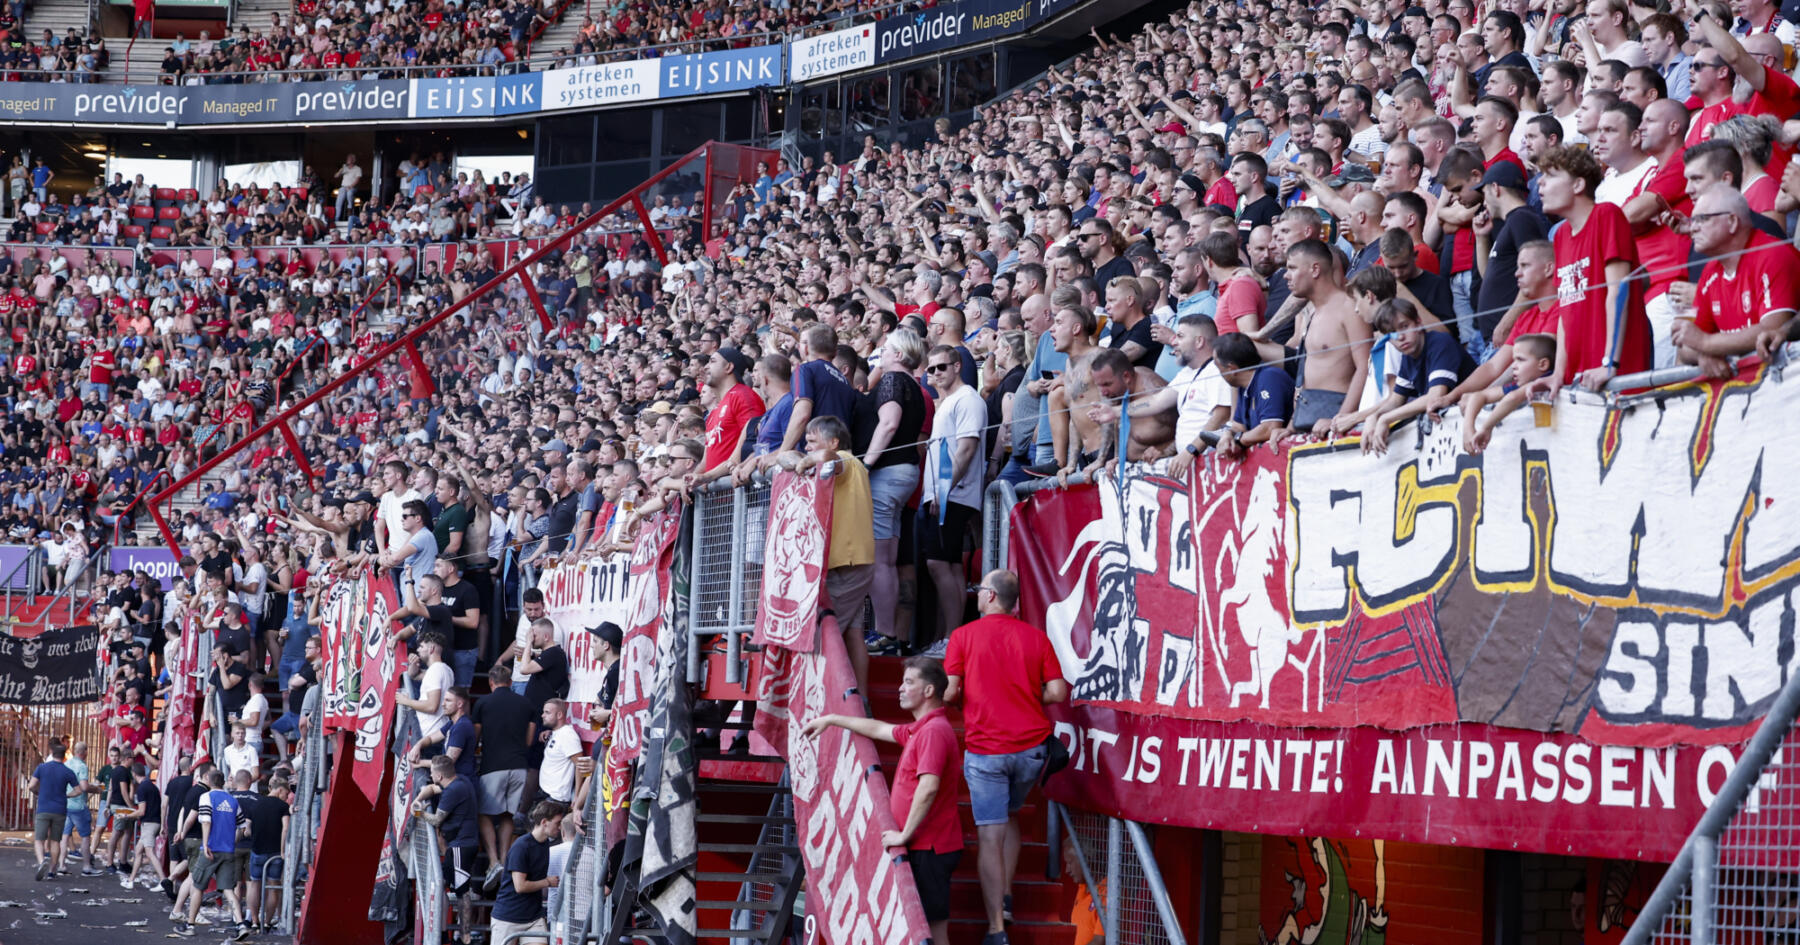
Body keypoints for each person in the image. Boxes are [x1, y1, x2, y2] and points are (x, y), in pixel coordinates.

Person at [943, 570, 1069, 945]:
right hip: (1031, 751)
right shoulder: (1035, 637)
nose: (977, 595)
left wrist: (963, 696)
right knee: (1011, 814)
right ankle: (1008, 895)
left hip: (986, 752)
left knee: (990, 833)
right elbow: (1058, 691)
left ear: (993, 597)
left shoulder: (963, 636)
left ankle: (996, 927)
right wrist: (1029, 697)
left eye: (980, 590)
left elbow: (949, 693)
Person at [804, 657, 964, 945]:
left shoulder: (933, 732)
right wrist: (831, 719)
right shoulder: (921, 729)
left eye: (909, 682)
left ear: (928, 691)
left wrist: (904, 833)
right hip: (923, 846)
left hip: (930, 847)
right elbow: (879, 729)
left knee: (933, 930)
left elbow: (928, 787)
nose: (900, 688)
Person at [918, 344, 986, 655]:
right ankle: (949, 638)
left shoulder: (967, 399)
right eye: (930, 369)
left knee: (939, 564)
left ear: (957, 366)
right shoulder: (951, 401)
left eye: (941, 367)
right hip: (945, 493)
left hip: (953, 494)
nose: (934, 374)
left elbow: (967, 448)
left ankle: (950, 639)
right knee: (947, 565)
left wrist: (944, 490)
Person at [1359, 299, 1475, 455]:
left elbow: (1435, 396)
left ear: (1419, 322)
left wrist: (1385, 419)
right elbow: (1395, 400)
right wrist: (1373, 416)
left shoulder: (1440, 343)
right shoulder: (1408, 356)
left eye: (1404, 327)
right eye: (1391, 333)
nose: (1400, 337)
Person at [474, 663, 533, 895]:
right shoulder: (526, 704)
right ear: (510, 682)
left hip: (492, 767)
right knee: (508, 815)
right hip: (519, 767)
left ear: (491, 683)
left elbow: (476, 736)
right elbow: (529, 740)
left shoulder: (482, 703)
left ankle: (493, 861)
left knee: (484, 814)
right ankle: (507, 861)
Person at [174, 768, 247, 939]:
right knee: (229, 890)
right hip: (228, 851)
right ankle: (241, 924)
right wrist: (233, 841)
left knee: (198, 885)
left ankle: (190, 925)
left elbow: (205, 821)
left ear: (209, 780)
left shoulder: (206, 797)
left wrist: (206, 844)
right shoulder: (233, 800)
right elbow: (243, 827)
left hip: (211, 849)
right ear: (222, 782)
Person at [415, 755, 480, 944]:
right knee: (444, 885)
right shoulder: (460, 781)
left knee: (462, 892)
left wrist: (418, 812)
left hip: (461, 846)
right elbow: (433, 788)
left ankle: (465, 938)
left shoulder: (453, 791)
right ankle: (445, 934)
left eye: (432, 772)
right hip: (462, 845)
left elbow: (436, 820)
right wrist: (419, 798)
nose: (430, 774)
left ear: (440, 775)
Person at [1465, 334, 1559, 453]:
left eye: (1520, 360)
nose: (1513, 366)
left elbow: (1513, 398)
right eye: (1514, 360)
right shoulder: (1519, 385)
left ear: (1543, 364)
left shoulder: (1546, 379)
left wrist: (1486, 427)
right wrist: (1468, 428)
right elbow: (1479, 395)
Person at [490, 800, 565, 945]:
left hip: (533, 918)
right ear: (544, 822)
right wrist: (548, 882)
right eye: (557, 822)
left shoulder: (544, 844)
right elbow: (520, 886)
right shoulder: (522, 846)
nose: (560, 827)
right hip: (508, 917)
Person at [29, 740, 79, 881]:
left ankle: (41, 862)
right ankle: (52, 871)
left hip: (43, 808)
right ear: (64, 757)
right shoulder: (68, 771)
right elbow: (79, 790)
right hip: (60, 810)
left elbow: (31, 786)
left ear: (51, 753)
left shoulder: (42, 768)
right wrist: (68, 795)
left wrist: (38, 792)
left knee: (39, 839)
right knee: (55, 841)